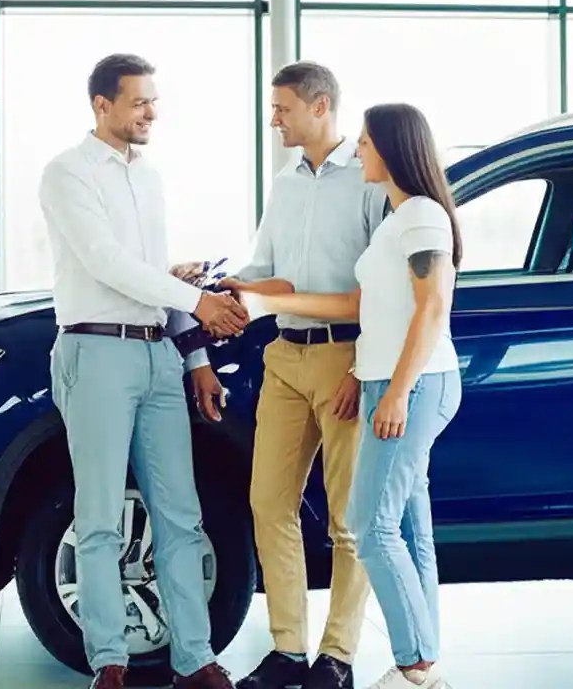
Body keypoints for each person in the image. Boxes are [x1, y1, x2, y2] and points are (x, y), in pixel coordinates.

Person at [223, 102, 464, 689]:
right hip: (383, 375)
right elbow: (357, 306)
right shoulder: (397, 221)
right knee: (409, 529)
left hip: (411, 383)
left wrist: (395, 392)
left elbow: (433, 309)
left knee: (368, 523)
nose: (358, 151)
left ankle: (415, 668)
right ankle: (419, 661)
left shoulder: (423, 217)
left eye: (366, 142)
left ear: (391, 147)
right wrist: (261, 296)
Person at [38, 52, 249, 689]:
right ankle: (109, 663)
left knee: (180, 515)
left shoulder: (148, 177)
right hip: (95, 353)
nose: (151, 112)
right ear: (102, 106)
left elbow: (153, 274)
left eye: (154, 100)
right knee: (98, 516)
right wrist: (200, 302)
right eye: (138, 102)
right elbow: (105, 261)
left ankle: (196, 659)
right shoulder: (67, 174)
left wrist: (196, 355)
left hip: (158, 353)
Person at [187, 61, 386, 689]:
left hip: (346, 357)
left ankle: (339, 657)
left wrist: (363, 365)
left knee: (347, 517)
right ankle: (288, 651)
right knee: (268, 502)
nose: (273, 118)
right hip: (286, 356)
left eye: (282, 109)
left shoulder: (370, 179)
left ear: (319, 106)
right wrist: (234, 287)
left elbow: (384, 290)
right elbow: (274, 274)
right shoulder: (286, 182)